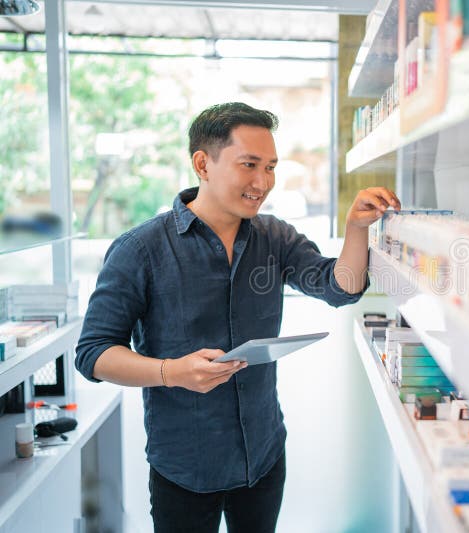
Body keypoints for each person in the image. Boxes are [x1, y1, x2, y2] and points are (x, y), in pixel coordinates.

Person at [75, 102, 400, 533]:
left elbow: (337, 287)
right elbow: (93, 353)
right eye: (249, 165)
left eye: (270, 167)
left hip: (263, 457)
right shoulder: (141, 250)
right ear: (202, 164)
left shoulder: (274, 236)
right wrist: (171, 372)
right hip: (185, 468)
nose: (262, 182)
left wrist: (357, 228)